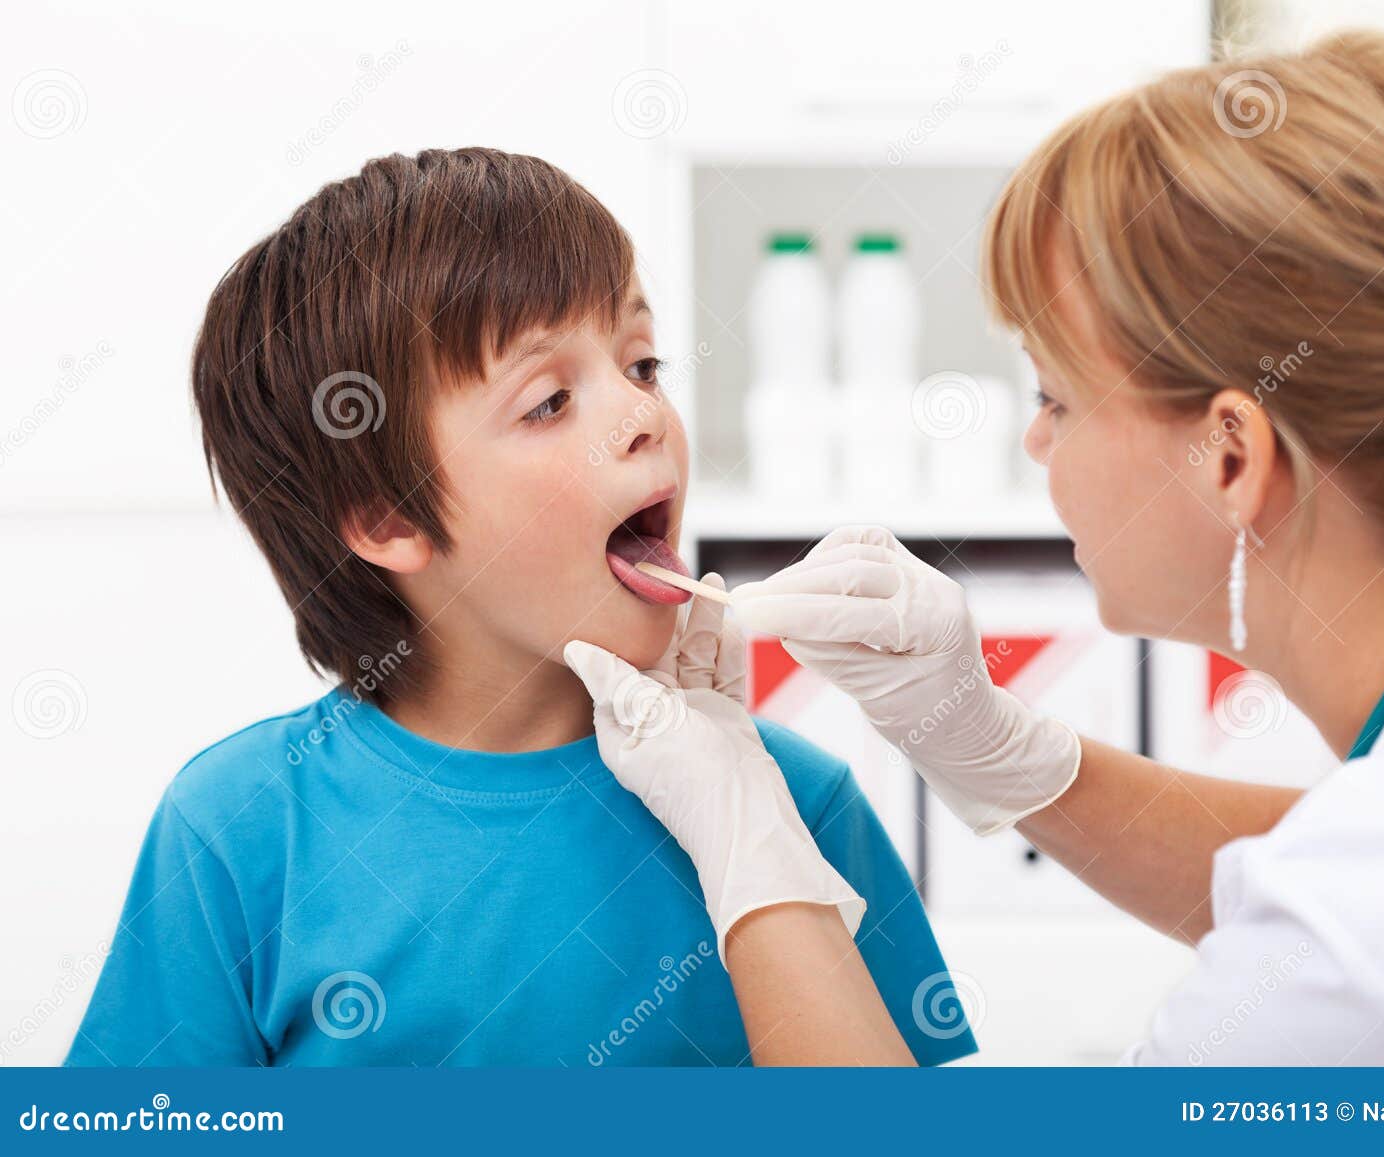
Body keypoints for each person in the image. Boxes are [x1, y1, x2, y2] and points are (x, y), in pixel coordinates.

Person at [566, 31, 1384, 1064]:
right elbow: (1375, 871)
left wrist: (753, 849)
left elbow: (1365, 932)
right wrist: (989, 744)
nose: (1035, 440)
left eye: (1054, 395)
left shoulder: (1355, 959)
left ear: (1229, 455)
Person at [65, 149, 973, 1067]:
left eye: (643, 363)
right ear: (388, 516)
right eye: (549, 401)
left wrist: (764, 856)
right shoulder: (243, 828)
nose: (644, 415)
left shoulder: (787, 806)